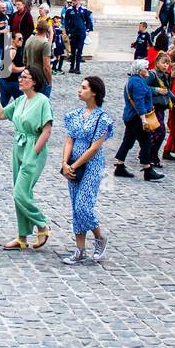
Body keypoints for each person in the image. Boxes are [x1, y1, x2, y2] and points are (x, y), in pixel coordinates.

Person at [0, 65, 53, 250]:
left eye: (25, 77)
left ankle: (42, 224)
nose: (20, 79)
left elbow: (47, 130)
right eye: (21, 76)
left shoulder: (42, 101)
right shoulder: (20, 100)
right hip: (18, 147)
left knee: (20, 193)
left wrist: (34, 153)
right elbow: (0, 115)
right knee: (21, 193)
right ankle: (22, 237)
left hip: (33, 149)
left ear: (34, 81)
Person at [60, 75, 114, 265]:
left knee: (84, 204)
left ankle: (100, 237)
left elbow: (94, 148)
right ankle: (80, 249)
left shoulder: (102, 118)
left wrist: (73, 165)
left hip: (91, 166)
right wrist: (65, 163)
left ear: (94, 92)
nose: (79, 90)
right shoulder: (74, 115)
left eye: (84, 88)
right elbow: (69, 139)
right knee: (76, 206)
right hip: (73, 163)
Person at [114, 59, 164, 181]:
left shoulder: (133, 80)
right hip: (137, 118)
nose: (148, 70)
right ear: (140, 70)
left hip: (130, 116)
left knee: (128, 141)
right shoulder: (138, 83)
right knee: (146, 142)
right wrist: (143, 119)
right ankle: (147, 169)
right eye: (145, 68)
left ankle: (120, 166)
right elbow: (139, 101)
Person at [0, 31, 24, 132]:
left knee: (2, 103)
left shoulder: (8, 49)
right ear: (13, 39)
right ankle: (21, 127)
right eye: (19, 39)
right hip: (12, 82)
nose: (21, 41)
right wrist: (24, 68)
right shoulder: (13, 51)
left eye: (22, 39)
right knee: (22, 104)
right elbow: (10, 68)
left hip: (5, 81)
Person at [62, 0, 92, 74]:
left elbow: (89, 21)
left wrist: (87, 30)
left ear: (78, 1)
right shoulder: (69, 10)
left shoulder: (84, 10)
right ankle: (72, 66)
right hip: (73, 32)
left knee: (79, 50)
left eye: (74, 1)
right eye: (72, 1)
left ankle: (77, 67)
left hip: (81, 32)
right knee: (73, 50)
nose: (73, 2)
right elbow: (66, 22)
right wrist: (68, 32)